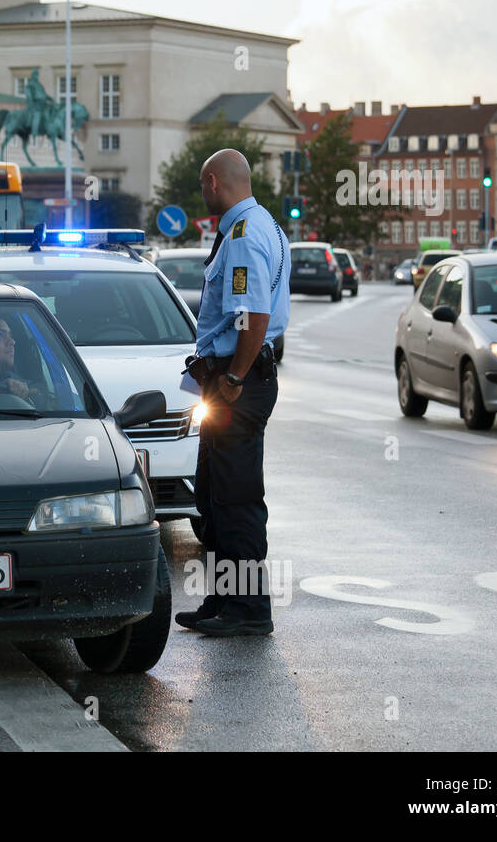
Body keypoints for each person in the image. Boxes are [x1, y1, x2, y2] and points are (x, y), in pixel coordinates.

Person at [177, 149, 290, 637]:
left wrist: (234, 378)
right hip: (236, 378)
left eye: (203, 185)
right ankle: (223, 600)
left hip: (239, 382)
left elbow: (253, 317)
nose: (203, 192)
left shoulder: (242, 237)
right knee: (216, 493)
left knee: (236, 497)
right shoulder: (263, 225)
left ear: (213, 182)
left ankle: (248, 609)